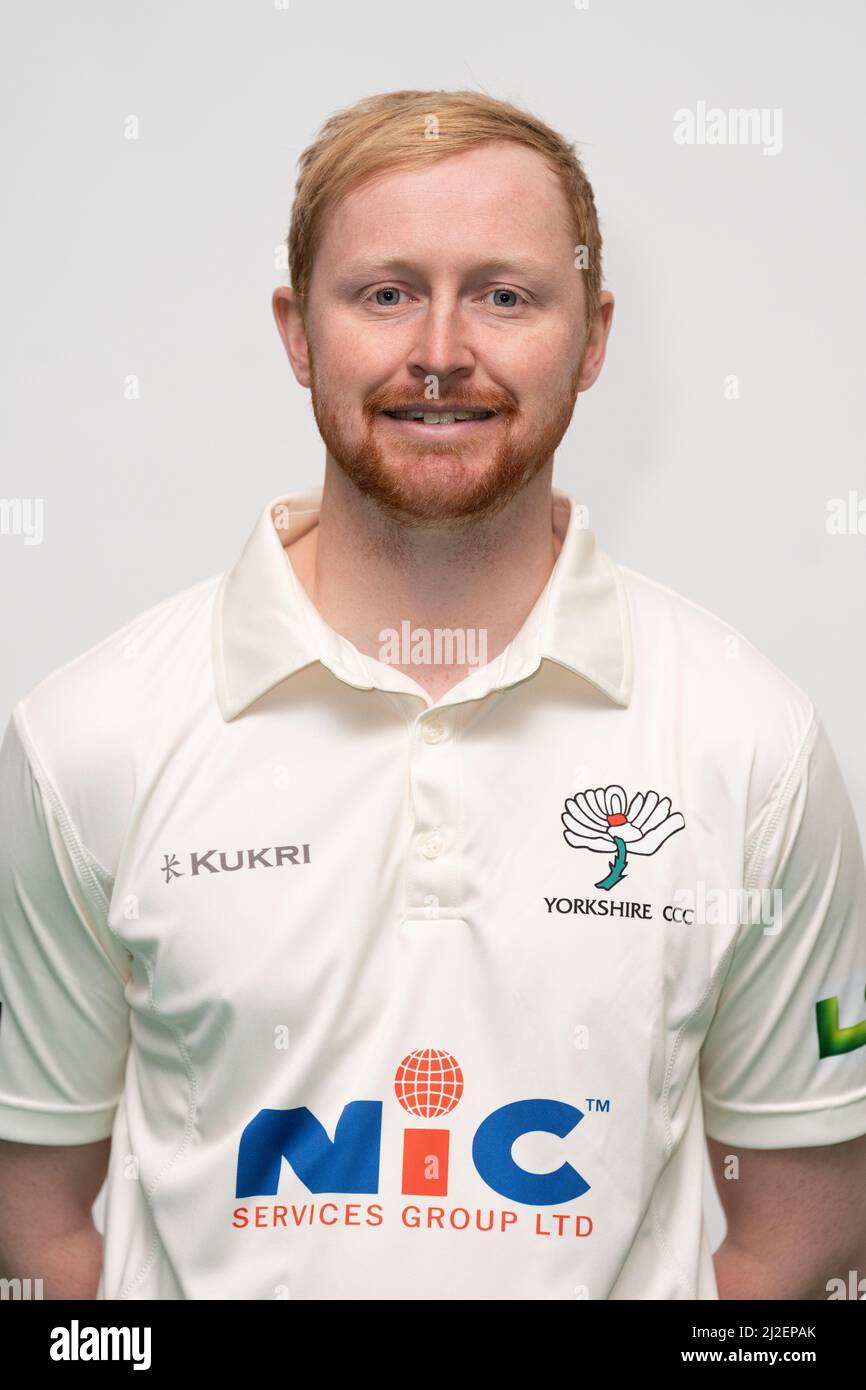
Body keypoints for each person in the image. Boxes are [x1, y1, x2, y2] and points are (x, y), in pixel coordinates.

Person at [1, 88, 864, 1302]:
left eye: (505, 295)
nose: (442, 350)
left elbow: (804, 1240)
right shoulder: (88, 738)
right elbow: (30, 1228)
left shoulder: (751, 745)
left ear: (593, 336)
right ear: (299, 333)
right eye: (386, 292)